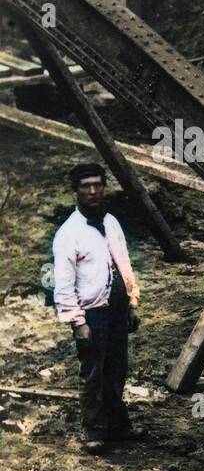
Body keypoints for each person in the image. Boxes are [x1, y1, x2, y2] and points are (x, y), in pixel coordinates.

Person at [52, 164, 141, 454]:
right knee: (93, 372)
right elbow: (63, 285)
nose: (92, 191)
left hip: (117, 311)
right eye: (85, 186)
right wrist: (78, 322)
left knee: (117, 370)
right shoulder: (69, 233)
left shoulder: (112, 222)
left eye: (97, 185)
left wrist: (131, 301)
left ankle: (119, 426)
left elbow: (124, 265)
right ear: (75, 190)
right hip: (92, 315)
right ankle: (94, 430)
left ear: (104, 187)